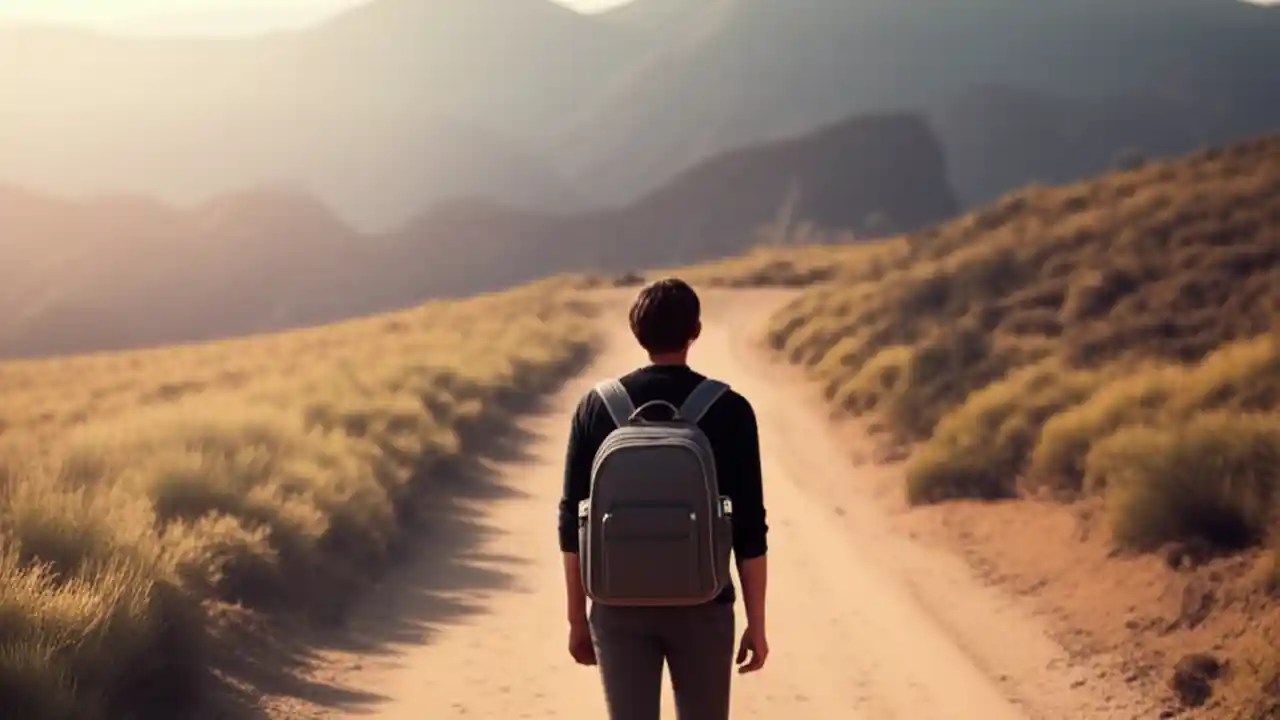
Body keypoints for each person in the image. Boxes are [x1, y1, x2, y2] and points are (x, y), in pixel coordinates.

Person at [558, 278, 770, 720]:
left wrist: (578, 617)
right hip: (705, 604)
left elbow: (570, 521)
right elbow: (751, 529)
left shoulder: (596, 409)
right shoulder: (730, 409)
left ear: (637, 331)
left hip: (617, 607)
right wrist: (757, 623)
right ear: (695, 330)